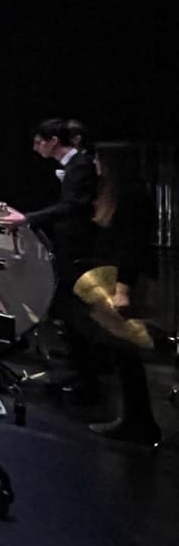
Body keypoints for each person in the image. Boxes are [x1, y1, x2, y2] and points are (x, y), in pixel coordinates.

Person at [0, 118, 100, 400]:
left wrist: (27, 219)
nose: (36, 148)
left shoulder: (80, 165)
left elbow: (74, 207)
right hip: (69, 246)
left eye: (38, 142)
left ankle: (86, 380)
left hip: (78, 250)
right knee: (67, 313)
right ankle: (79, 373)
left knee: (74, 313)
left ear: (54, 141)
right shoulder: (74, 165)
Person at [85, 145, 159, 443]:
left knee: (127, 353)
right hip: (117, 278)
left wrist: (123, 289)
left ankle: (139, 423)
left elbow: (133, 247)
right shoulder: (118, 194)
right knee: (122, 354)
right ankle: (133, 418)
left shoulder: (132, 196)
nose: (95, 164)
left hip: (126, 281)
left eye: (99, 159)